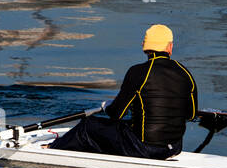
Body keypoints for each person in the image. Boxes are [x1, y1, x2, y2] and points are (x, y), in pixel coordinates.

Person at [49, 24, 197, 159]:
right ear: (169, 47)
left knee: (88, 125)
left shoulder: (138, 72)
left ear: (144, 46)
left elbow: (116, 114)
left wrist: (108, 107)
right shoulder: (186, 74)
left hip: (144, 148)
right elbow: (191, 115)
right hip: (174, 148)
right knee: (128, 125)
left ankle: (51, 150)